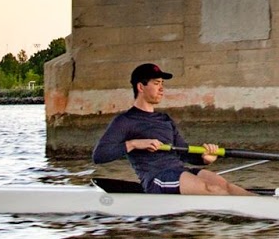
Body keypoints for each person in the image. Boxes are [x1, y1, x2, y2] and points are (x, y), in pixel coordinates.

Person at [91, 62, 254, 195]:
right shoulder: (125, 121)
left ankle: (264, 208)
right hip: (157, 179)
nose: (162, 88)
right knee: (212, 190)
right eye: (156, 83)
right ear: (141, 87)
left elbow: (183, 152)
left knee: (229, 187)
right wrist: (134, 144)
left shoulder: (164, 119)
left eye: (162, 83)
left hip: (180, 171)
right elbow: (99, 155)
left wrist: (205, 158)